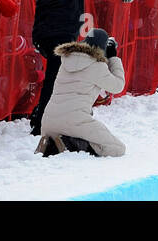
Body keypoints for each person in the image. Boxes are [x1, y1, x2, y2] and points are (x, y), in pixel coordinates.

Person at [28, 0, 122, 136]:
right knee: (55, 78)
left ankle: (43, 118)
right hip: (58, 32)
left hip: (47, 29)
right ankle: (42, 122)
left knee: (56, 77)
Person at [36, 28, 127, 156]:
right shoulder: (97, 66)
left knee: (89, 135)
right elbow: (118, 86)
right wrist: (113, 58)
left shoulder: (66, 61)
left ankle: (54, 141)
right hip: (74, 121)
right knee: (117, 148)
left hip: (48, 122)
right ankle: (66, 144)